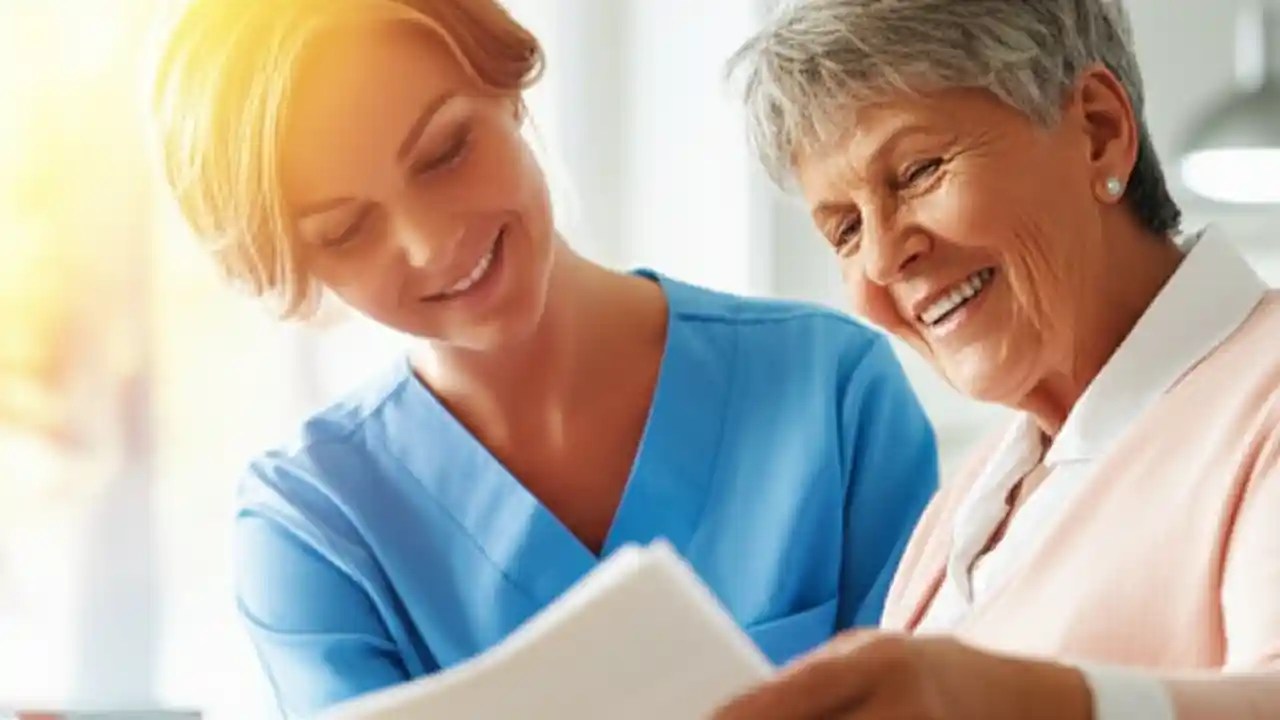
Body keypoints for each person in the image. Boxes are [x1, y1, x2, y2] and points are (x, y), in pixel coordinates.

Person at [149, 0, 939, 716]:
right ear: (298, 266)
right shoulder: (314, 527)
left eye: (445, 153)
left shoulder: (829, 391)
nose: (430, 245)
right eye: (347, 231)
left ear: (507, 88)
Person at [716, 0, 1280, 718]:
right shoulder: (962, 510)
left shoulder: (1264, 393)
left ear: (1099, 133)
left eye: (919, 171)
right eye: (847, 229)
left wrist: (1025, 703)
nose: (886, 257)